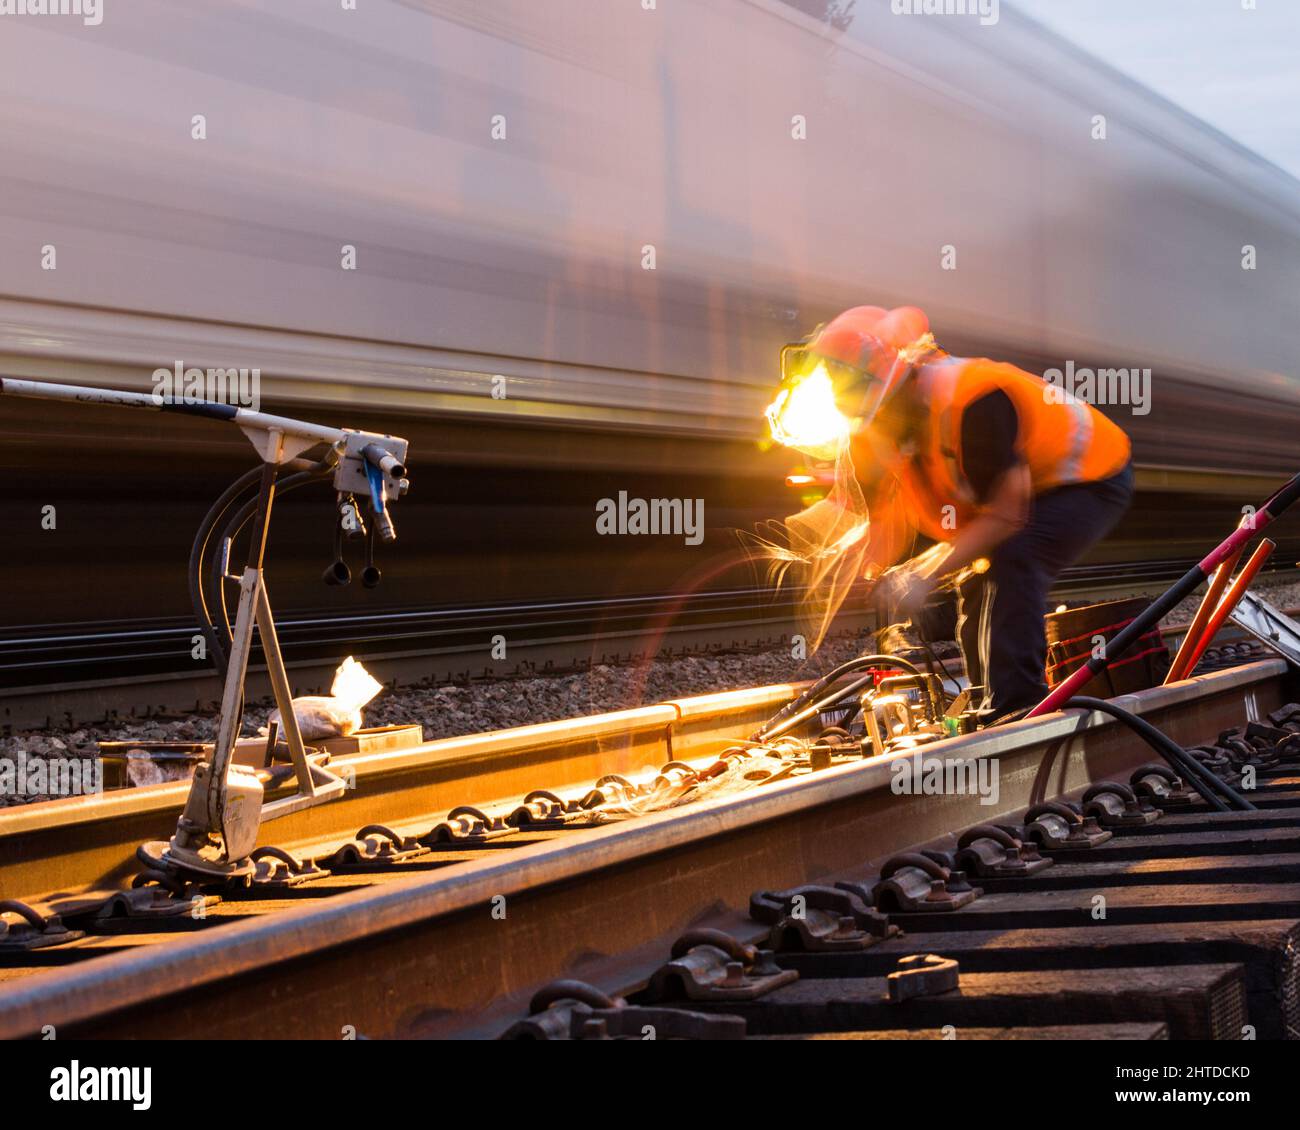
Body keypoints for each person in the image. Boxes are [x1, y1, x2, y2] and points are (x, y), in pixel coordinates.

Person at [765, 305, 1133, 722]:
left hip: (1088, 476)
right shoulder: (873, 424)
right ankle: (986, 701)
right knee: (976, 575)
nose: (870, 428)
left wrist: (922, 572)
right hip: (1016, 492)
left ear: (894, 388)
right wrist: (850, 562)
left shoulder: (971, 400)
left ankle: (1020, 709)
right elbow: (884, 526)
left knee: (1012, 559)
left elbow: (1007, 514)